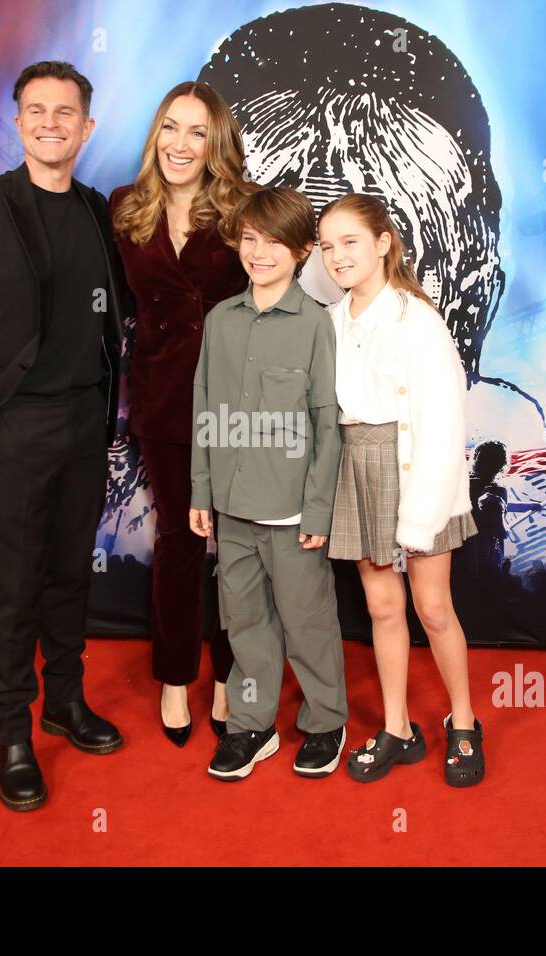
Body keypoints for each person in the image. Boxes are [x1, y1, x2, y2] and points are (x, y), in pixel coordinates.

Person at [0, 62, 129, 812]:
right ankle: (12, 731)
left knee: (71, 573)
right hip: (13, 427)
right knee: (13, 586)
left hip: (85, 425)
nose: (51, 122)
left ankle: (64, 703)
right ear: (17, 124)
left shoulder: (97, 211)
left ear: (86, 127)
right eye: (36, 110)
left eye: (65, 111)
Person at [316, 193, 485, 788]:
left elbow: (442, 426)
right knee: (382, 608)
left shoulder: (419, 320)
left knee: (433, 608)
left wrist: (419, 519)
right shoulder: (330, 322)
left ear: (384, 243)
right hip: (358, 471)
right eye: (327, 245)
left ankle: (463, 722)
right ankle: (397, 728)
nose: (337, 256)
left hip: (417, 472)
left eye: (350, 242)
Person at [109, 81, 256, 747]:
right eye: (172, 127)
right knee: (178, 543)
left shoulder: (243, 211)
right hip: (165, 406)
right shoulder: (124, 211)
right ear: (155, 134)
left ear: (215, 144)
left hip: (236, 406)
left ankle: (228, 677)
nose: (181, 143)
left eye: (198, 132)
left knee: (236, 551)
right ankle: (175, 678)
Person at [189, 187, 347, 780]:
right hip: (231, 509)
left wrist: (316, 511)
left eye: (274, 242)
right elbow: (205, 409)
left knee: (307, 621)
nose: (258, 253)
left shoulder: (316, 326)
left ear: (303, 250)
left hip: (291, 513)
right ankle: (251, 727)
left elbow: (326, 424)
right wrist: (201, 491)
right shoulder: (219, 322)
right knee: (245, 622)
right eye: (249, 239)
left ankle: (326, 720)